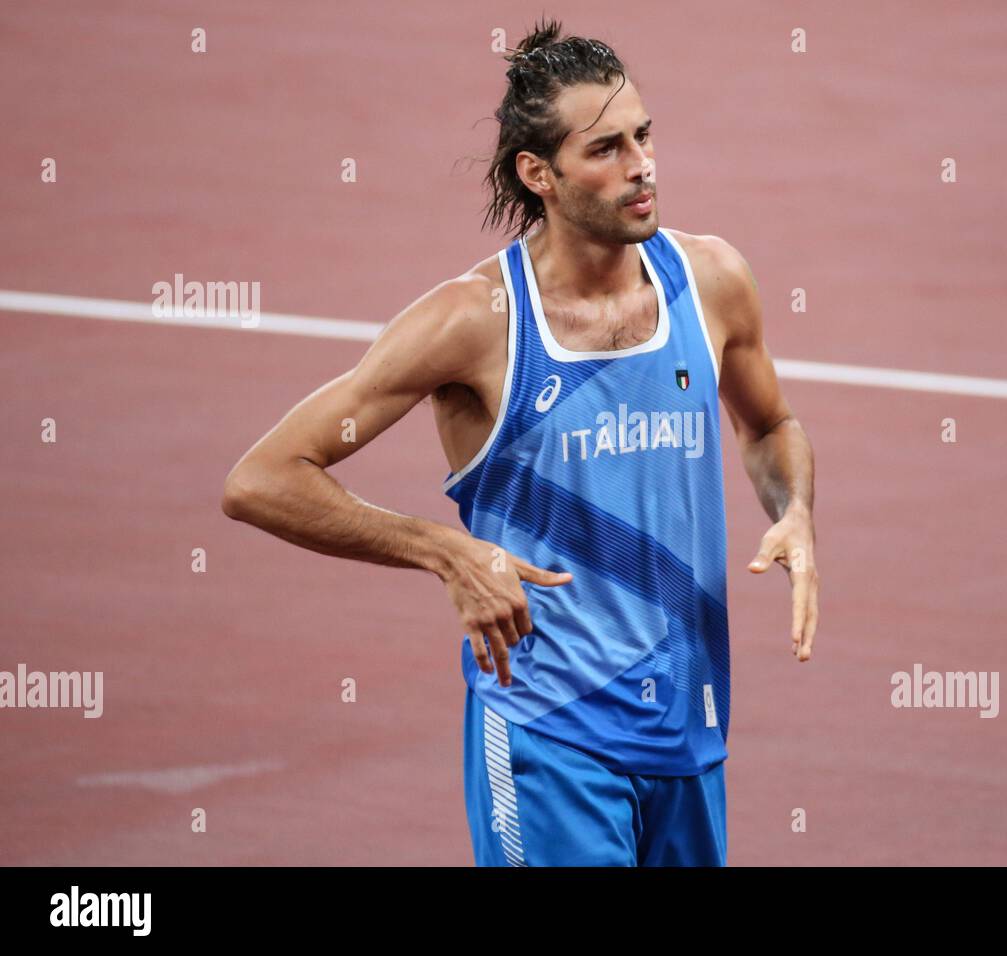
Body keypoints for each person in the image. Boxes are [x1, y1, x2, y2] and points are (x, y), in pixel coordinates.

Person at [221, 18, 818, 866]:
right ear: (538, 173)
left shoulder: (712, 279)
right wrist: (445, 552)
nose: (641, 164)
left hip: (690, 725)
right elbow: (262, 478)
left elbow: (769, 426)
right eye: (605, 148)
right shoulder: (475, 323)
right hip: (550, 729)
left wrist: (793, 509)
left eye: (644, 136)